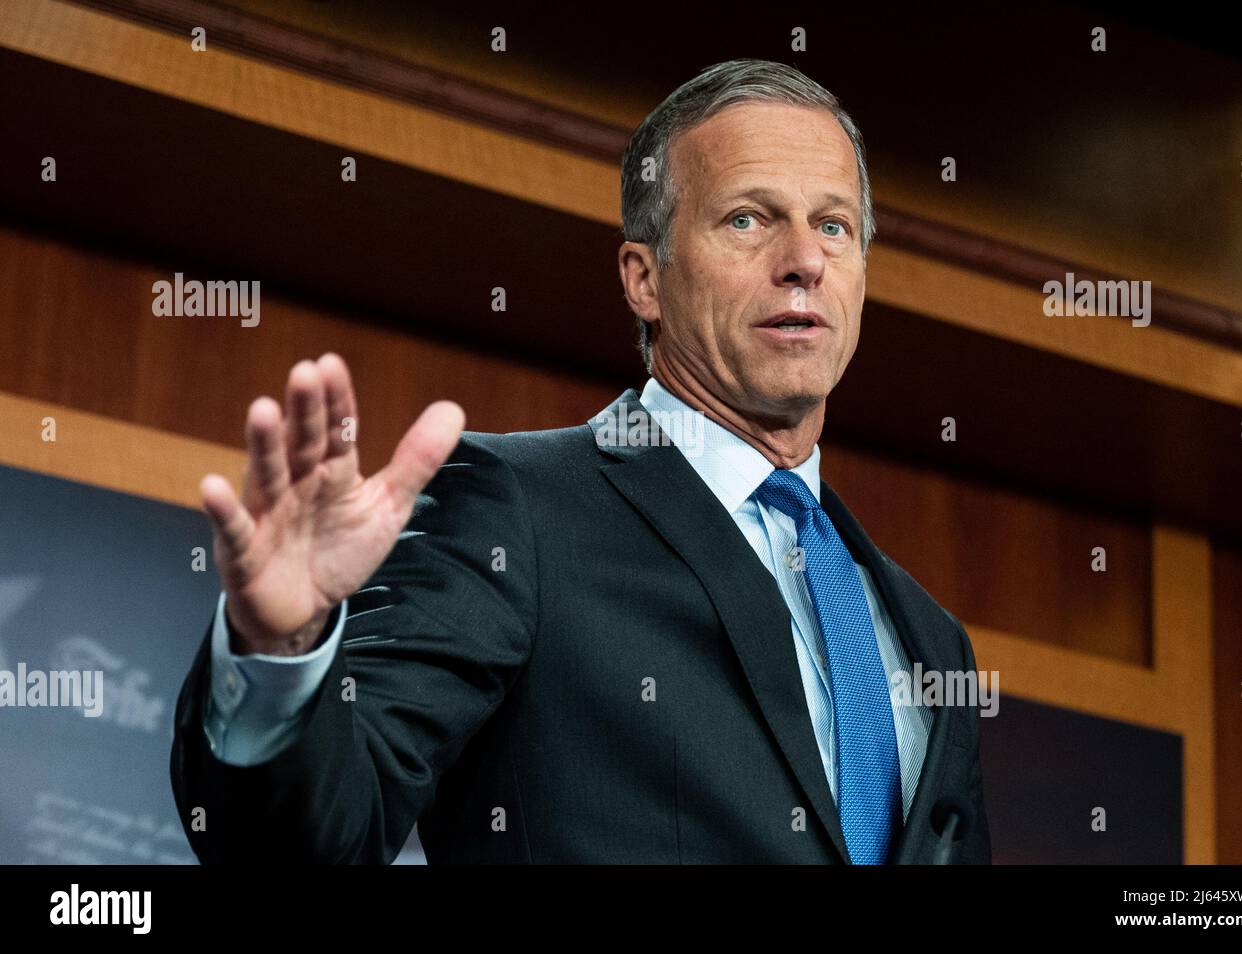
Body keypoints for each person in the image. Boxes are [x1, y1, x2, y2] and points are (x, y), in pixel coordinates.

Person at [171, 58, 991, 864]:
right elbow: (308, 844)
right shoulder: (516, 511)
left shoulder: (929, 639)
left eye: (834, 226)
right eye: (747, 218)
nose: (803, 259)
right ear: (643, 279)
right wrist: (283, 650)